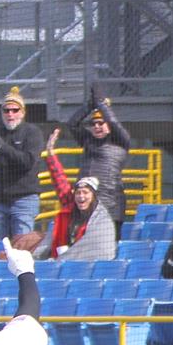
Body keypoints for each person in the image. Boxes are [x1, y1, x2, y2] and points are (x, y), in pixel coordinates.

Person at [62, 84, 133, 237]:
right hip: (87, 202)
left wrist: (101, 104)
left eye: (101, 123)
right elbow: (72, 124)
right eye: (93, 124)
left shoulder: (121, 141)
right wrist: (91, 104)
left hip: (110, 205)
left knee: (108, 244)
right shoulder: (88, 141)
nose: (97, 126)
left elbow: (114, 124)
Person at [0, 87, 45, 242]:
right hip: (0, 200)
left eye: (15, 110)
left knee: (22, 245)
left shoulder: (32, 132)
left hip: (24, 199)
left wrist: (0, 145)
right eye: (6, 111)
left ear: (23, 112)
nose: (10, 114)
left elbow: (27, 161)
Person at [35, 130, 116, 262]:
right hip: (61, 260)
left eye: (85, 192)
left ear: (93, 196)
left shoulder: (100, 217)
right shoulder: (71, 205)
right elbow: (59, 180)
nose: (81, 196)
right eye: (78, 192)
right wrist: (50, 154)